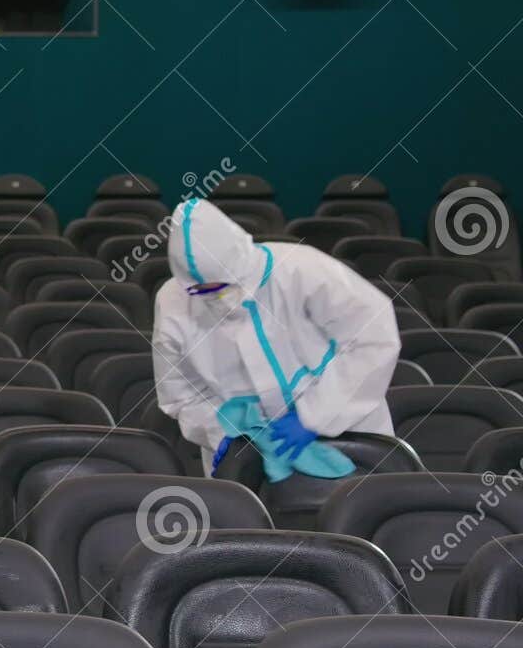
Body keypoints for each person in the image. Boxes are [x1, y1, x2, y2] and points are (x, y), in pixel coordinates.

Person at [151, 198, 400, 478]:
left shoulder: (301, 270)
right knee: (253, 519)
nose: (218, 298)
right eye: (202, 292)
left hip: (349, 429)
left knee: (363, 511)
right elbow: (180, 397)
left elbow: (374, 336)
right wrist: (221, 431)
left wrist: (315, 415)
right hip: (247, 454)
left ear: (242, 264)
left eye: (225, 286)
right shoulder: (172, 305)